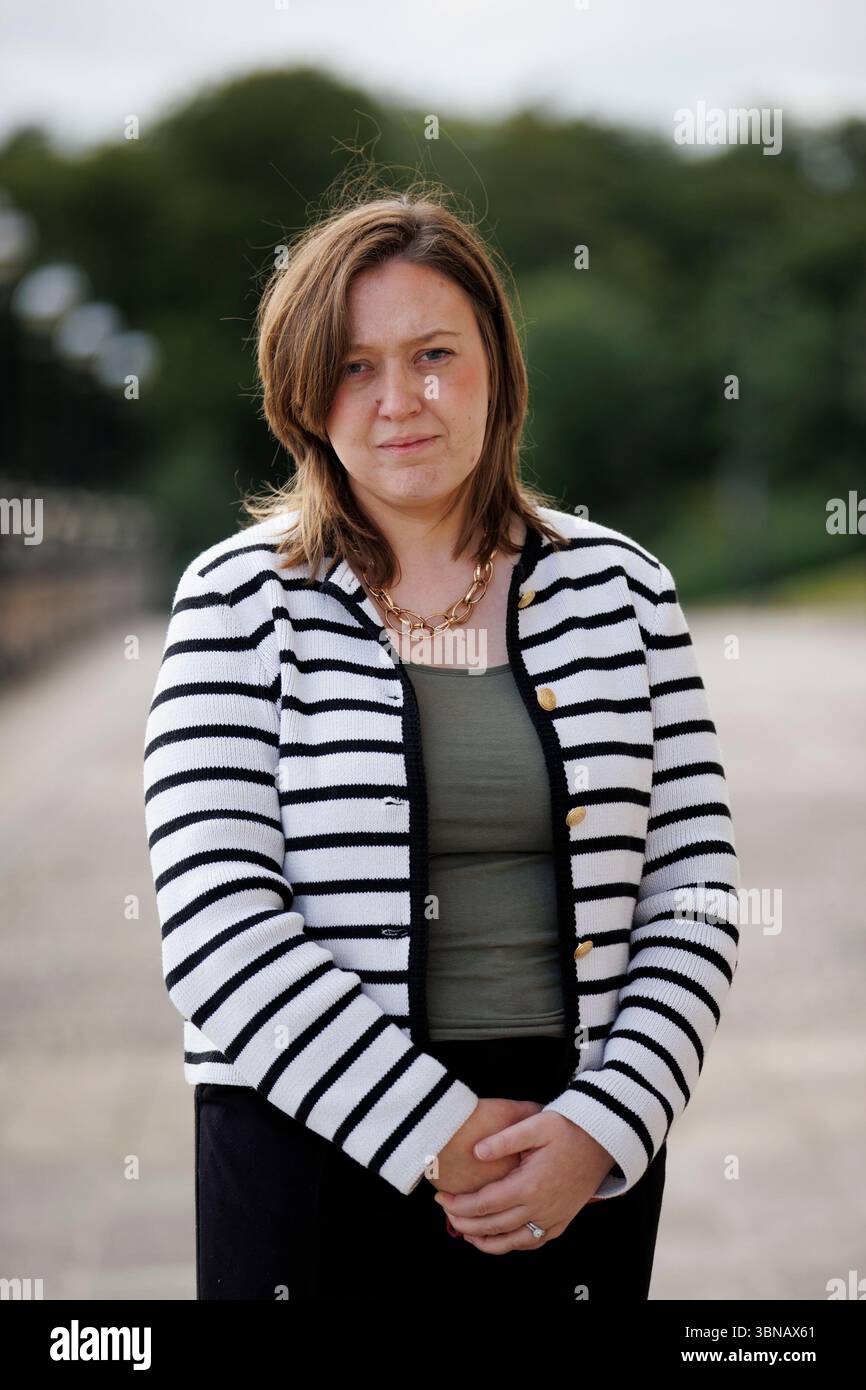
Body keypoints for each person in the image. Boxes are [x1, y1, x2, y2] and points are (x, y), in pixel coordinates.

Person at [143, 191, 740, 1302]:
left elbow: (693, 891)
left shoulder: (624, 591)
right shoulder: (235, 601)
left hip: (567, 1159)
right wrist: (431, 1128)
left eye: (433, 354)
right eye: (353, 365)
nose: (399, 399)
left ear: (497, 369)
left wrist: (607, 1125)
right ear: (301, 394)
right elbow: (213, 916)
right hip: (303, 1131)